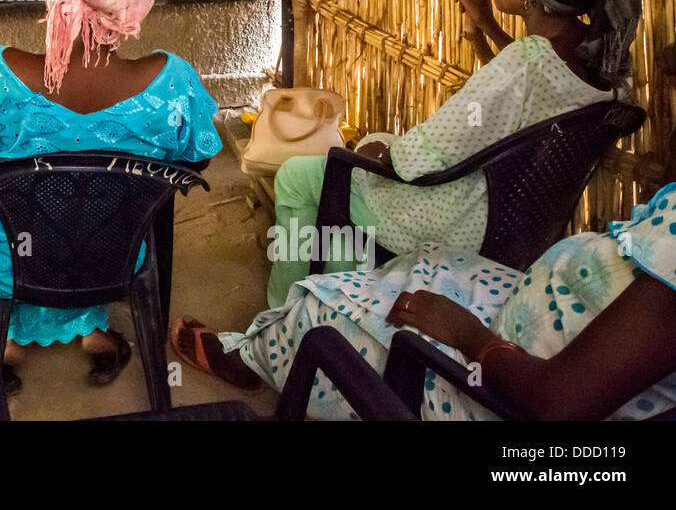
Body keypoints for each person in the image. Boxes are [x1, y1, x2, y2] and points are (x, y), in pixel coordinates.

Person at [260, 0, 642, 307]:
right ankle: (337, 292)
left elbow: (419, 159)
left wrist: (372, 150)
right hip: (513, 225)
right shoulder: (602, 64)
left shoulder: (525, 64)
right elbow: (537, 84)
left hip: (452, 222)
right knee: (348, 190)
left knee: (298, 176)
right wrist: (489, 26)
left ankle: (277, 320)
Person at [0, 0, 221, 393]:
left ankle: (6, 339)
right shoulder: (173, 84)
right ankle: (90, 327)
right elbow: (196, 161)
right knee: (89, 212)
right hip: (112, 255)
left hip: (13, 261)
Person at [170, 177, 676, 420]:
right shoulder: (573, 72)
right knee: (423, 261)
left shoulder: (522, 64)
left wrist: (463, 332)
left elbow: (427, 153)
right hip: (505, 240)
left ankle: (252, 354)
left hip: (497, 389)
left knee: (317, 302)